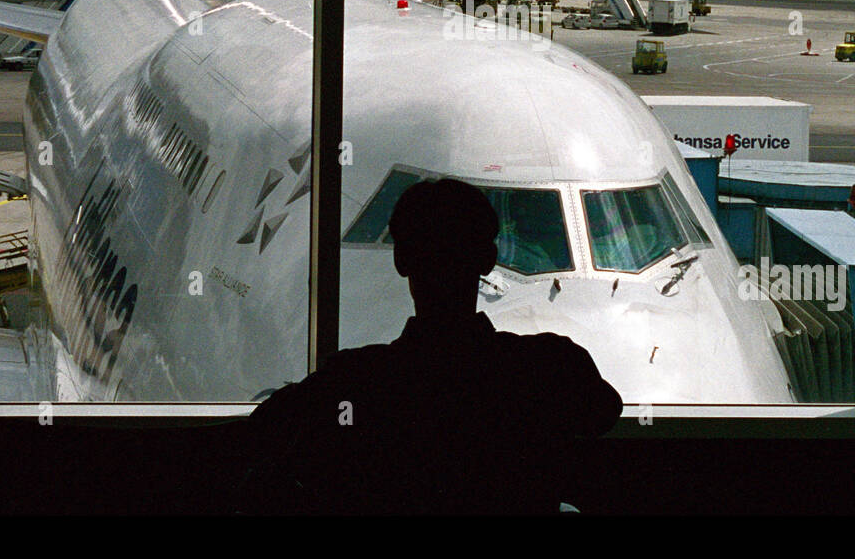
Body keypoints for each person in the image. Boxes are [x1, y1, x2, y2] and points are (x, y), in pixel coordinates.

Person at [243, 177, 622, 514]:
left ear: (402, 261)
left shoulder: (353, 381)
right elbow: (602, 412)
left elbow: (263, 434)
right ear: (487, 261)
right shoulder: (550, 366)